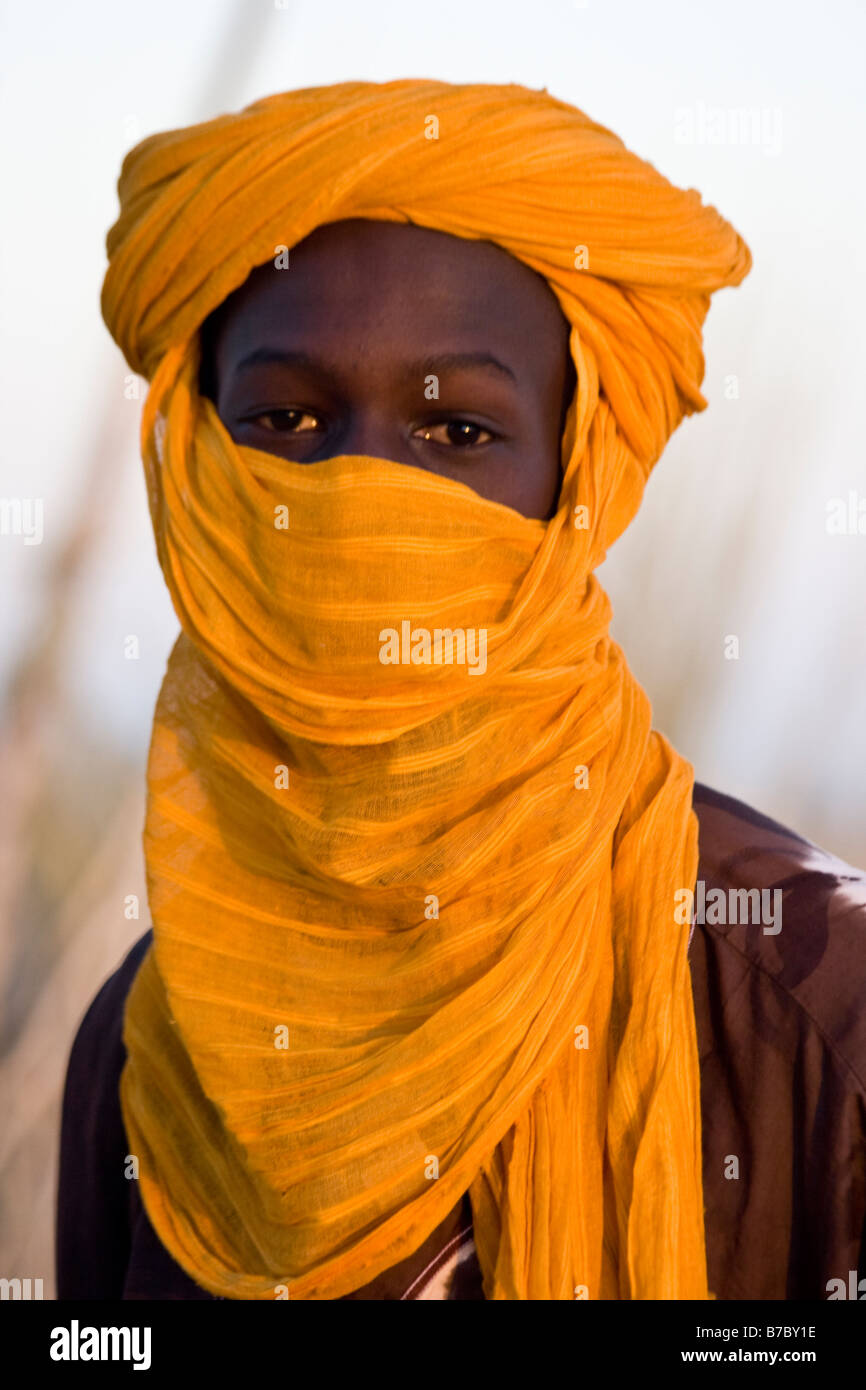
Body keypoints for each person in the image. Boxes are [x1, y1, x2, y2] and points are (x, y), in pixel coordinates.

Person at [57, 78, 866, 1301]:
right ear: (200, 472)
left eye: (458, 434)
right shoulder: (144, 1055)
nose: (362, 495)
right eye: (286, 418)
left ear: (573, 482)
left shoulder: (807, 1007)